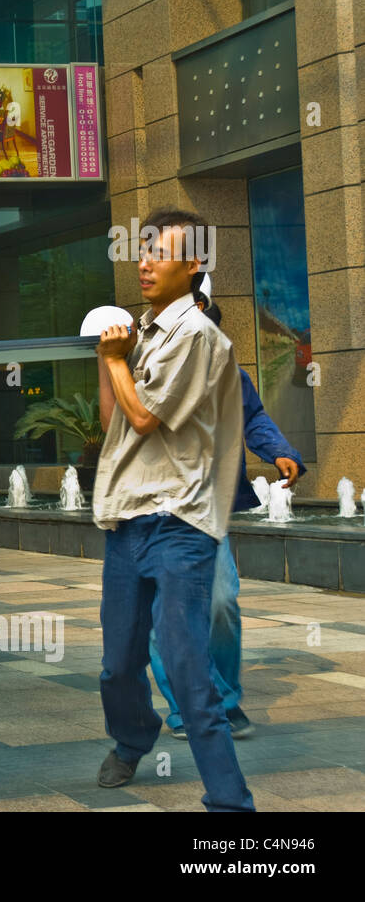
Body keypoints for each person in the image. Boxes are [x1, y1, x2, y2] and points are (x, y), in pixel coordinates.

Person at [92, 207, 253, 811]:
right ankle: (133, 736)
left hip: (180, 523)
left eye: (161, 251)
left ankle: (231, 805)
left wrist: (113, 362)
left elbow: (145, 417)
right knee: (116, 664)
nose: (146, 261)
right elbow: (118, 428)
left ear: (196, 264)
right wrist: (114, 362)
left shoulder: (198, 336)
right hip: (128, 520)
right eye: (143, 249)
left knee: (186, 668)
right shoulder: (143, 332)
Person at [147, 292, 306, 741]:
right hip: (157, 508)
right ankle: (187, 709)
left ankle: (224, 696)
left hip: (210, 508)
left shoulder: (230, 376)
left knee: (221, 604)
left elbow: (252, 418)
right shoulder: (148, 368)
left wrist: (280, 453)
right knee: (166, 613)